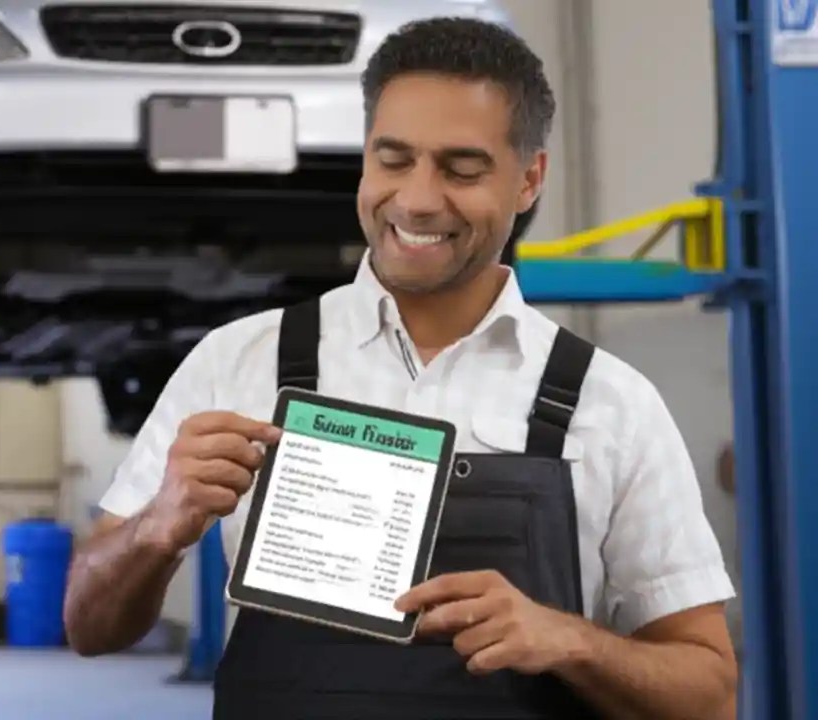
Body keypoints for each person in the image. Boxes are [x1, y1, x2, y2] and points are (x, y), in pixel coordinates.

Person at [64, 17, 738, 720]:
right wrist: (157, 527)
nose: (416, 199)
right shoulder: (239, 362)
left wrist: (570, 640)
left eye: (461, 168)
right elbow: (88, 626)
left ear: (528, 179)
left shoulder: (612, 405)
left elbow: (711, 696)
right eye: (393, 160)